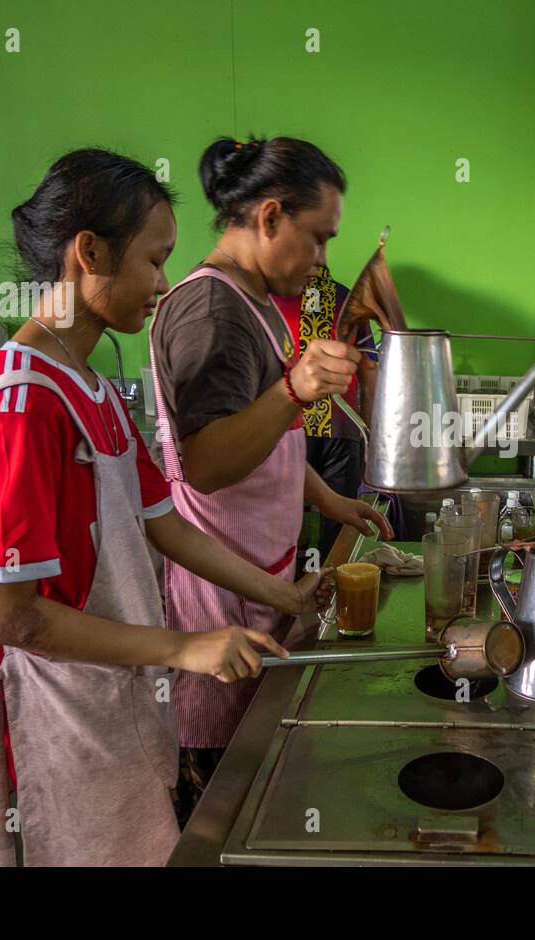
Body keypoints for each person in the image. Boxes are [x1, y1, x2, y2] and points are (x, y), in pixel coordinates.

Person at [0, 149, 333, 866]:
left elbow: (166, 523)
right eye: (153, 261)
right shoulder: (25, 405)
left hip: (122, 698)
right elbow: (0, 614)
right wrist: (183, 647)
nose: (164, 284)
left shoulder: (91, 391)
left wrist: (284, 595)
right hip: (63, 715)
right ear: (89, 251)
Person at [149, 135, 394, 811]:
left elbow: (272, 443)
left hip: (257, 570)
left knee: (256, 764)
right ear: (269, 216)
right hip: (218, 586)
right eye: (317, 239)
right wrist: (295, 389)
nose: (321, 260)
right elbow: (205, 465)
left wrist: (333, 502)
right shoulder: (211, 310)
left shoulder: (251, 301)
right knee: (221, 789)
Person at [271, 263, 378, 560]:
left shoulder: (277, 297)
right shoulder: (274, 297)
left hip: (317, 428)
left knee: (300, 517)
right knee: (331, 522)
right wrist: (371, 439)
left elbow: (370, 375)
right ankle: (329, 588)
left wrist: (371, 439)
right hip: (308, 427)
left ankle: (311, 586)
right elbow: (370, 377)